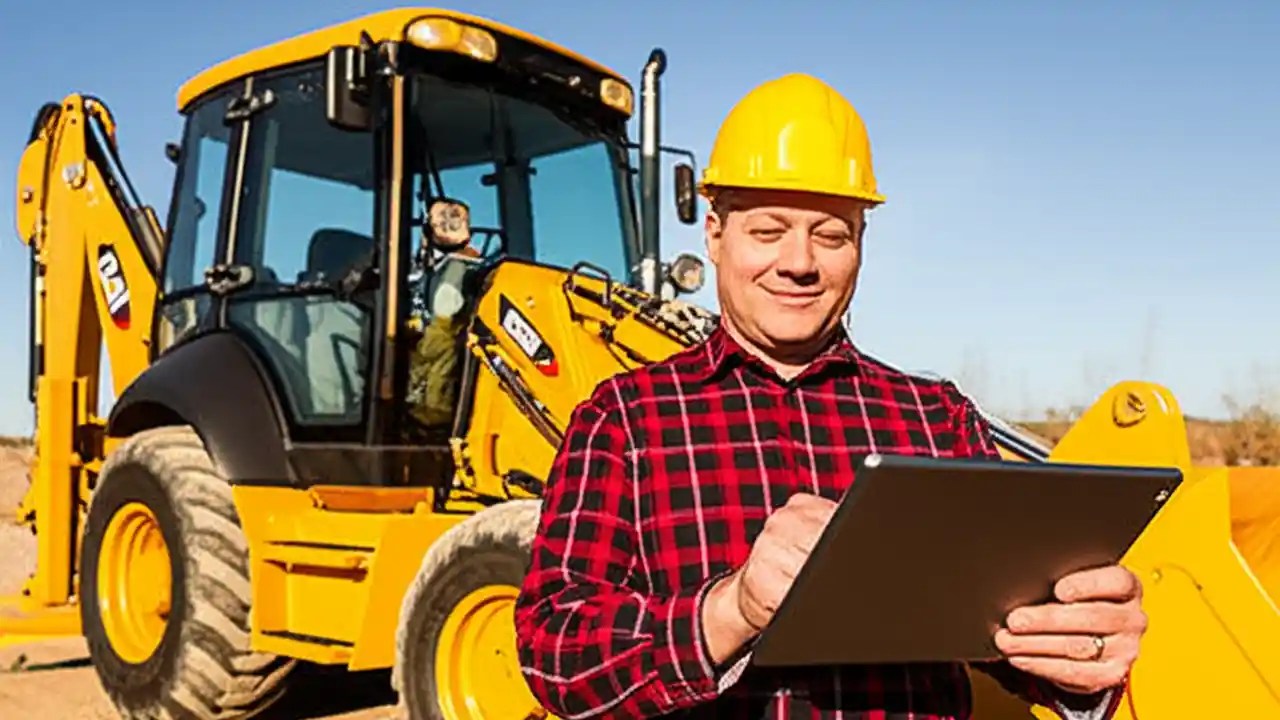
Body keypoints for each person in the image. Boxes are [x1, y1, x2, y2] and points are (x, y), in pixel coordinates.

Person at [513, 73, 1147, 719]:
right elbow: (555, 656)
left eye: (831, 234)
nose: (799, 262)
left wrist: (1084, 660)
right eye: (768, 231)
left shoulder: (938, 421)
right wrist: (731, 609)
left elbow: (1018, 635)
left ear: (860, 246)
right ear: (714, 234)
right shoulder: (625, 420)